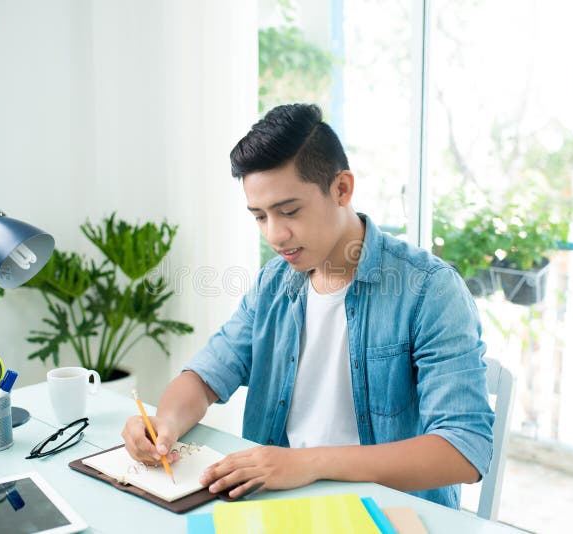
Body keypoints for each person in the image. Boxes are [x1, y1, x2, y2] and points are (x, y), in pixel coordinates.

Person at [121, 103, 494, 509]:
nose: (276, 235)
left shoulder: (428, 290)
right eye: (260, 217)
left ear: (342, 189)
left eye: (289, 211)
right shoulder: (273, 284)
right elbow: (206, 376)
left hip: (389, 513)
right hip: (280, 506)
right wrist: (165, 424)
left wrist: (309, 463)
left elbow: (464, 448)